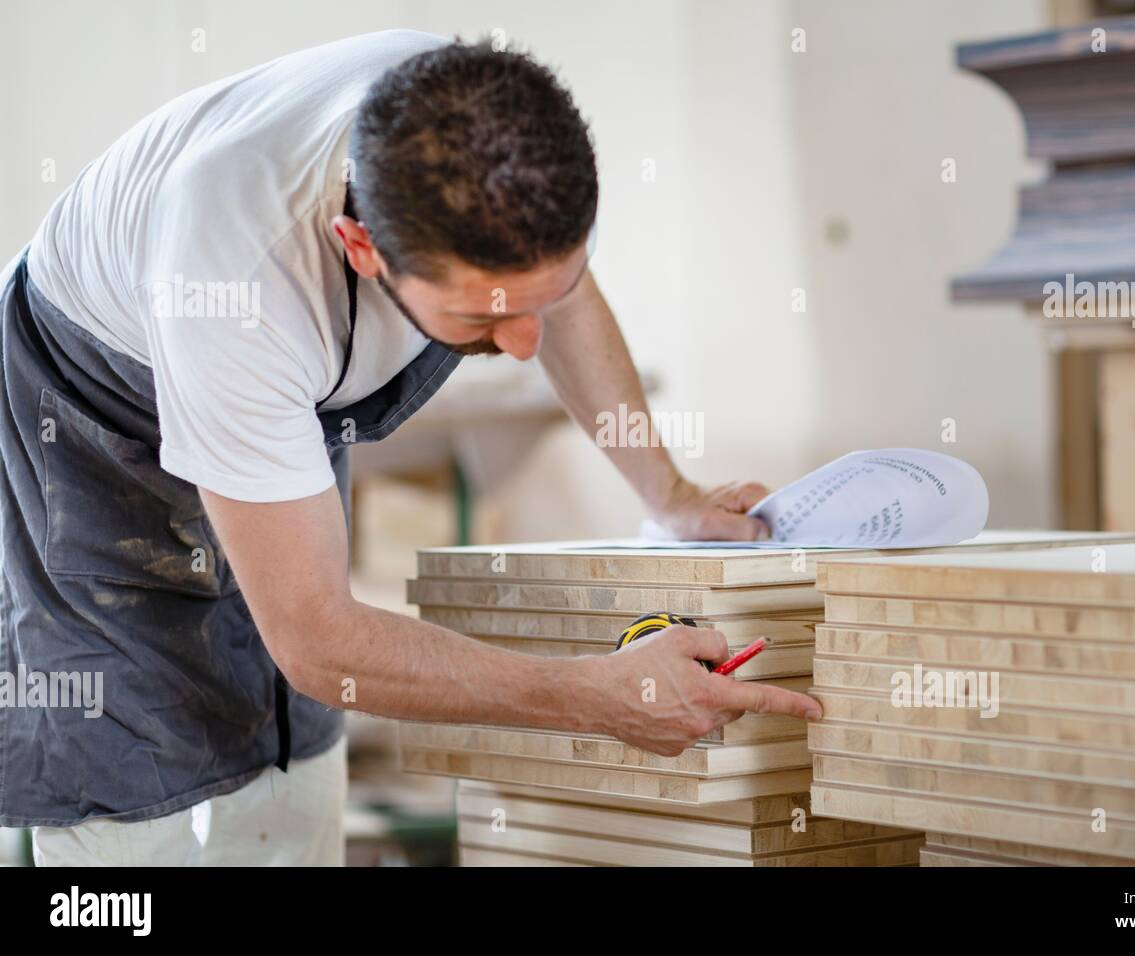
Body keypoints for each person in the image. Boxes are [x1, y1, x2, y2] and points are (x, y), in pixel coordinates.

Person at [0, 30, 821, 865]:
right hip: (93, 407)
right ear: (364, 249)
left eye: (547, 292)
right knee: (126, 751)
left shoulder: (505, 148)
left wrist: (670, 494)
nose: (527, 342)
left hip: (269, 361)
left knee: (293, 739)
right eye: (485, 318)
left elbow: (562, 305)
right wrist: (592, 696)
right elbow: (320, 639)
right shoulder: (239, 287)